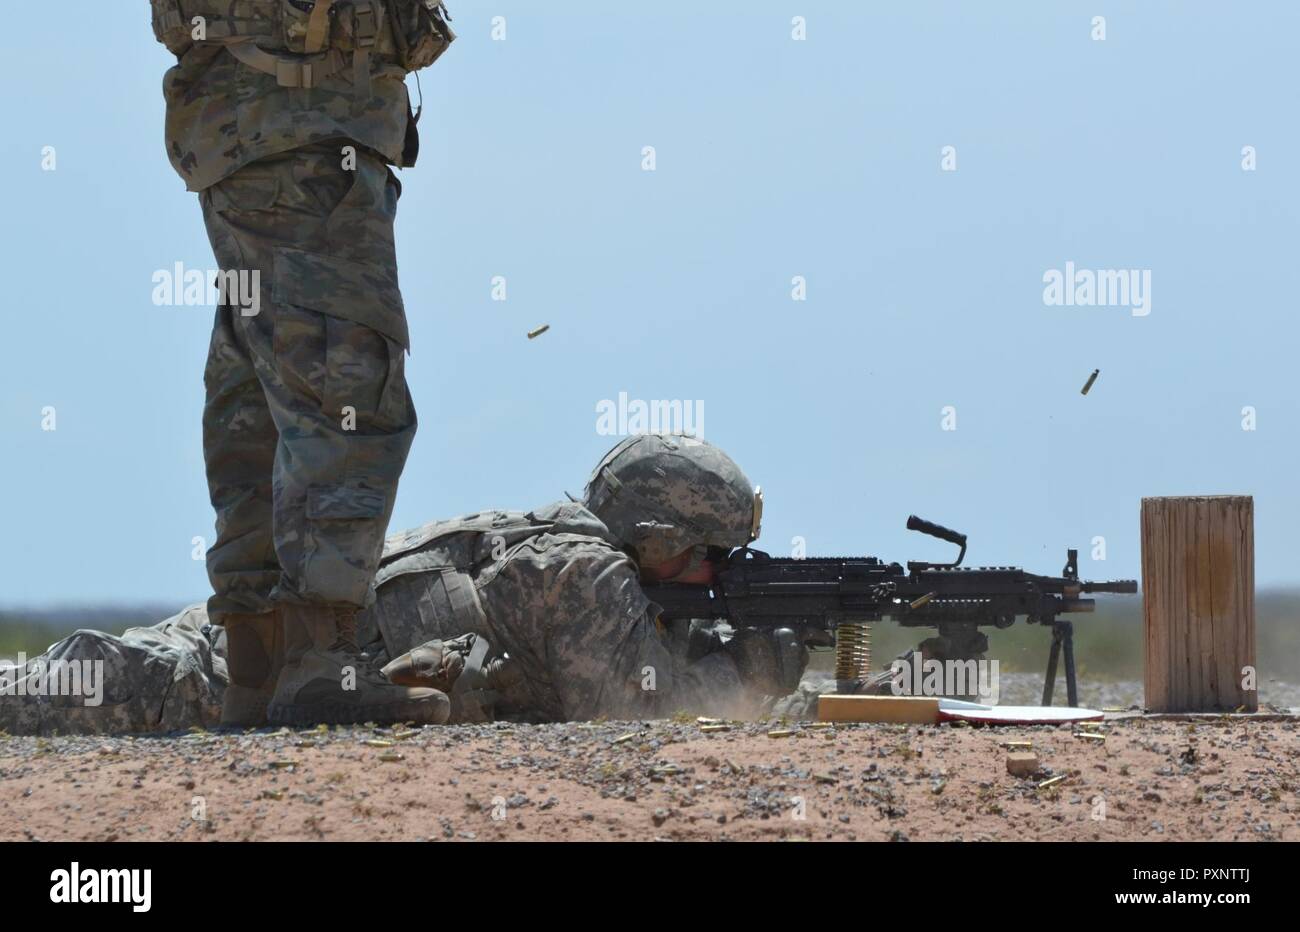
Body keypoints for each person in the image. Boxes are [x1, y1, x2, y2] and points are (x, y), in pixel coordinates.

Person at [0, 436, 801, 734]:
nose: (717, 575)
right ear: (658, 540)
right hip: (222, 676)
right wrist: (751, 669)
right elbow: (634, 709)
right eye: (712, 555)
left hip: (260, 650)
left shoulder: (583, 554)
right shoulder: (581, 569)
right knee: (70, 685)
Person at [147, 1, 456, 726]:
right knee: (345, 381)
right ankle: (321, 663)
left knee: (258, 393)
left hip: (259, 138)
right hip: (301, 136)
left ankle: (259, 664)